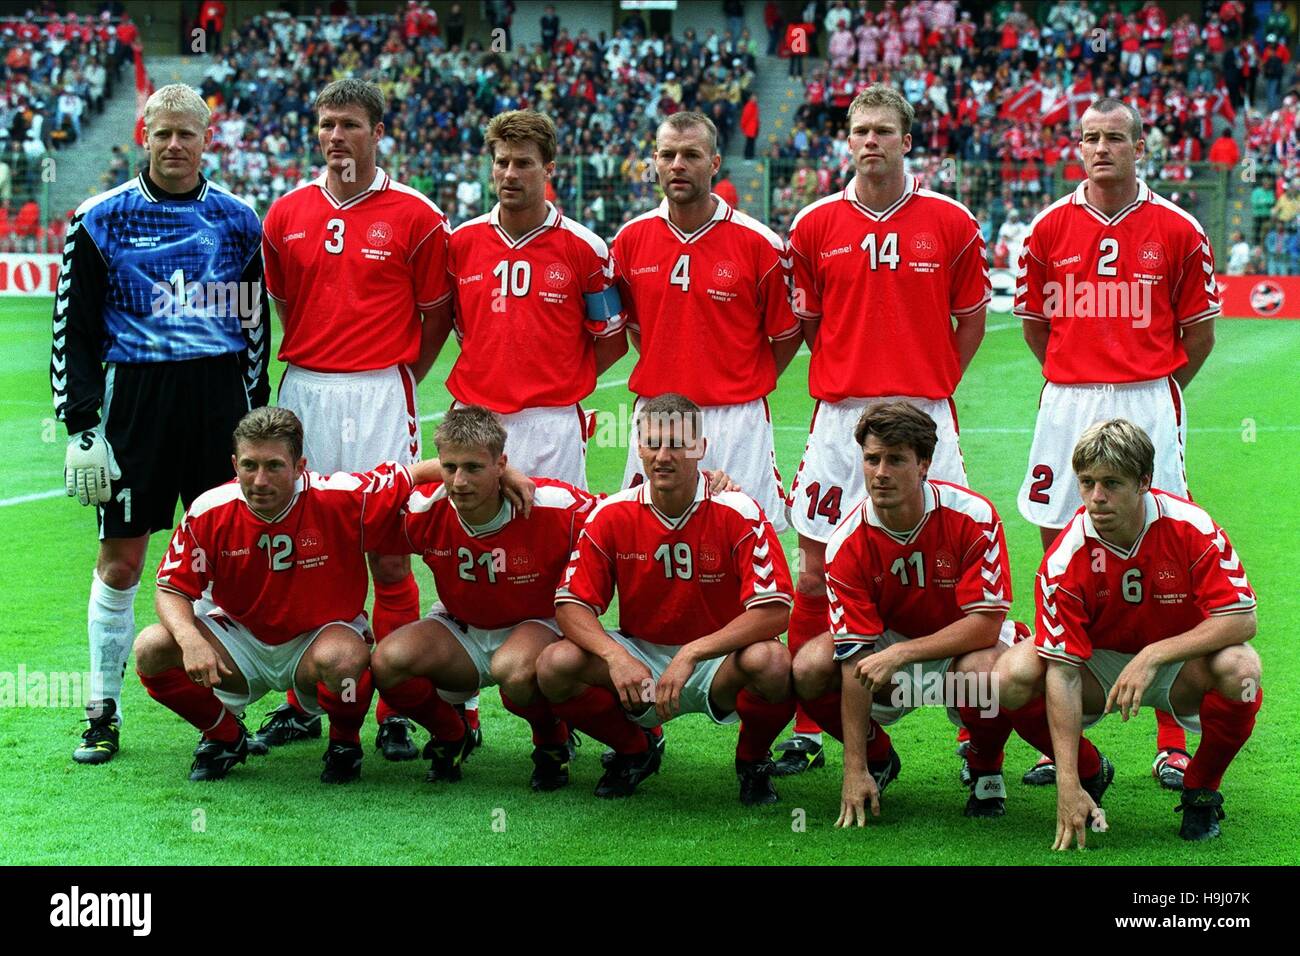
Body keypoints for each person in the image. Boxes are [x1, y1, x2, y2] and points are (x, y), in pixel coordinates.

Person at [777, 84, 990, 775]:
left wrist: (930, 387)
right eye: (859, 130)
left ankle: (973, 733)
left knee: (950, 572)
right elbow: (809, 326)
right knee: (813, 574)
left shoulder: (951, 221)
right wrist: (853, 376)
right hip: (841, 417)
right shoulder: (813, 224)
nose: (870, 141)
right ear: (848, 140)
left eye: (883, 131)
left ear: (907, 140)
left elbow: (972, 321)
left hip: (926, 415)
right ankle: (818, 727)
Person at [54, 83, 268, 765]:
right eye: (163, 133)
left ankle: (223, 717)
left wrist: (256, 418)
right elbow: (74, 330)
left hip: (218, 405)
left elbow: (254, 325)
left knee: (228, 564)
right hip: (136, 405)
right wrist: (82, 425)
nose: (175, 145)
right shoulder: (99, 217)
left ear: (209, 139)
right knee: (122, 561)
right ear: (143, 135)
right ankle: (101, 710)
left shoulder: (239, 221)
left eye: (188, 133)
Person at [1013, 98, 1221, 789]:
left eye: (1115, 138)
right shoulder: (1046, 228)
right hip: (1068, 397)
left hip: (1146, 395)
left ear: (1139, 147)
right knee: (1057, 548)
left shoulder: (1179, 230)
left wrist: (1150, 388)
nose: (1102, 148)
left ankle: (1172, 737)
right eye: (1091, 137)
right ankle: (1061, 738)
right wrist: (1082, 380)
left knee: (1168, 551)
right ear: (1079, 146)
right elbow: (1037, 330)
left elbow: (1198, 337)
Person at [261, 78, 453, 761]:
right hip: (306, 388)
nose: (335, 136)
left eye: (348, 124)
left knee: (387, 546)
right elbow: (285, 301)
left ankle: (397, 708)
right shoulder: (284, 214)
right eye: (325, 124)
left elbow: (437, 316)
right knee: (309, 543)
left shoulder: (418, 216)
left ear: (378, 132)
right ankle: (301, 705)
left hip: (381, 390)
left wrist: (400, 375)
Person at [993, 420, 1261, 845]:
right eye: (1087, 483)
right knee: (1008, 677)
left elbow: (1242, 619)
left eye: (1112, 483)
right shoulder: (1064, 560)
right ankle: (1088, 771)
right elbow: (1062, 674)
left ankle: (1202, 788)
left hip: (1178, 666)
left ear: (1144, 482)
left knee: (1243, 668)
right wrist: (1066, 781)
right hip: (1098, 669)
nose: (1097, 498)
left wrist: (1153, 655)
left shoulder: (1192, 526)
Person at [791, 403, 1048, 821]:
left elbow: (985, 626)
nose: (880, 472)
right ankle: (877, 759)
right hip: (890, 645)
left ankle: (986, 767)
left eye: (896, 460)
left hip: (960, 643)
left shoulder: (973, 516)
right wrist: (852, 768)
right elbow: (852, 653)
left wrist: (900, 655)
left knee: (986, 672)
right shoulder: (846, 542)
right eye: (872, 459)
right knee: (808, 667)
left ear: (925, 464)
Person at [537, 394, 796, 805]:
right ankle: (635, 750)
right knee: (555, 665)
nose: (663, 456)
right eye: (653, 443)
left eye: (677, 444)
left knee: (773, 663)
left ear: (701, 449)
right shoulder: (611, 514)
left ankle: (752, 761)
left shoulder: (738, 510)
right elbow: (571, 605)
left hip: (717, 661)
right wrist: (614, 656)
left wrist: (694, 651)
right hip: (640, 654)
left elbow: (774, 612)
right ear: (638, 447)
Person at [371, 406, 595, 791]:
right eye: (449, 467)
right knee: (388, 662)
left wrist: (709, 483)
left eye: (474, 468)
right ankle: (452, 734)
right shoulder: (424, 508)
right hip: (460, 627)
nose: (459, 481)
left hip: (533, 627)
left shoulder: (552, 505)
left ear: (501, 465)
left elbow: (627, 518)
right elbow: (348, 502)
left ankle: (551, 744)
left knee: (515, 671)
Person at [612, 111, 799, 537]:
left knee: (747, 538)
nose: (678, 165)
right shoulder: (629, 240)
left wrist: (745, 378)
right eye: (668, 155)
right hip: (658, 417)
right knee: (650, 540)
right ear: (655, 161)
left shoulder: (759, 243)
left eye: (692, 155)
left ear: (714, 164)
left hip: (737, 417)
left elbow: (786, 334)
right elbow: (634, 326)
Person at [437, 109, 627, 490]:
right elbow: (464, 330)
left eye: (523, 163)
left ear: (548, 169)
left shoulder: (587, 249)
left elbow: (612, 338)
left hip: (552, 425)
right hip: (477, 418)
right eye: (501, 162)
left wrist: (560, 382)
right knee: (474, 541)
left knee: (555, 539)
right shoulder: (461, 242)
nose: (510, 173)